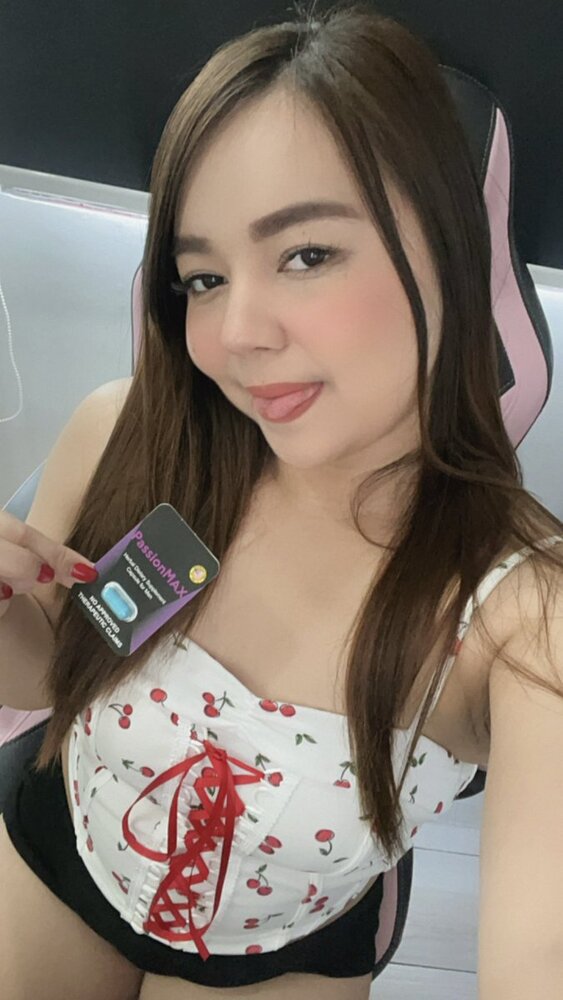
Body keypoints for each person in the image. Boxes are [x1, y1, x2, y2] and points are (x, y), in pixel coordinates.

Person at [1, 3, 563, 998]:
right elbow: (52, 670)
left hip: (279, 948)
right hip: (61, 842)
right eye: (203, 278)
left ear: (445, 250)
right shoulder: (134, 436)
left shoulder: (522, 619)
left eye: (305, 254)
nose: (235, 335)